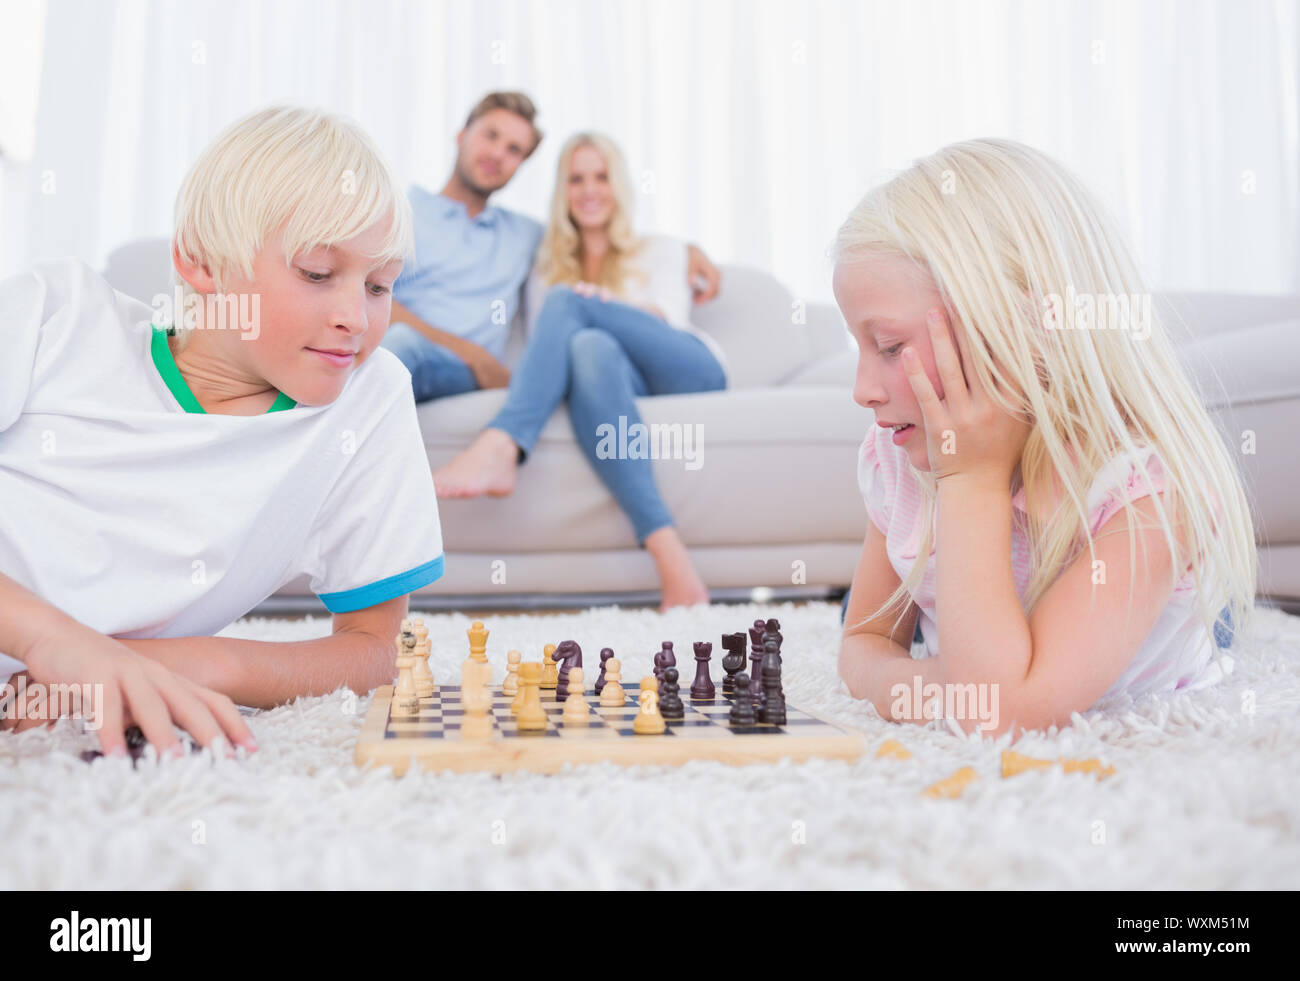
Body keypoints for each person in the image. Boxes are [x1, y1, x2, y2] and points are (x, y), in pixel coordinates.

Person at [0, 106, 444, 755]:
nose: (356, 316)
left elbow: (377, 649)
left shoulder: (367, 400)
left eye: (380, 285)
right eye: (318, 273)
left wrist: (185, 665)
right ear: (202, 264)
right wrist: (54, 643)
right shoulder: (54, 315)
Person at [834, 138, 1255, 738]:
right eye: (859, 348)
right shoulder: (902, 460)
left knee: (1217, 624)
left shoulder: (1147, 496)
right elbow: (866, 638)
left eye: (890, 347)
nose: (862, 390)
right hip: (988, 624)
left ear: (1023, 328)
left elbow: (1000, 714)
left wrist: (973, 480)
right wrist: (911, 682)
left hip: (1155, 628)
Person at [432, 132, 729, 609]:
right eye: (576, 179)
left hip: (685, 367)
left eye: (601, 176)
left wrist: (601, 304)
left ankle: (502, 442)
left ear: (619, 185)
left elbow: (666, 317)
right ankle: (675, 567)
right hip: (615, 379)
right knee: (588, 346)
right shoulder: (547, 265)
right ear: (562, 191)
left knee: (573, 304)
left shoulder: (661, 248)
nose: (589, 189)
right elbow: (553, 350)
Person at [379, 91, 720, 402]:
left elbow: (587, 225)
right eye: (491, 135)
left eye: (514, 150)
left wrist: (688, 250)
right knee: (399, 347)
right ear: (461, 135)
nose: (499, 153)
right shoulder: (400, 212)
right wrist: (473, 354)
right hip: (409, 354)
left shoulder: (521, 235)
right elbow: (370, 296)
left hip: (460, 377)